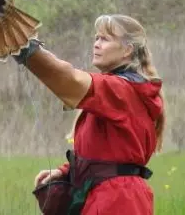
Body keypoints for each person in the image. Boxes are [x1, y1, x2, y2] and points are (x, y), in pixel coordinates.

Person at [13, 14, 165, 215]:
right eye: (96, 38)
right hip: (110, 196)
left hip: (118, 201)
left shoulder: (121, 90)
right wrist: (66, 171)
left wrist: (24, 47)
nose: (97, 44)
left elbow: (70, 80)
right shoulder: (119, 88)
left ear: (127, 50)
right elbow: (105, 155)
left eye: (105, 39)